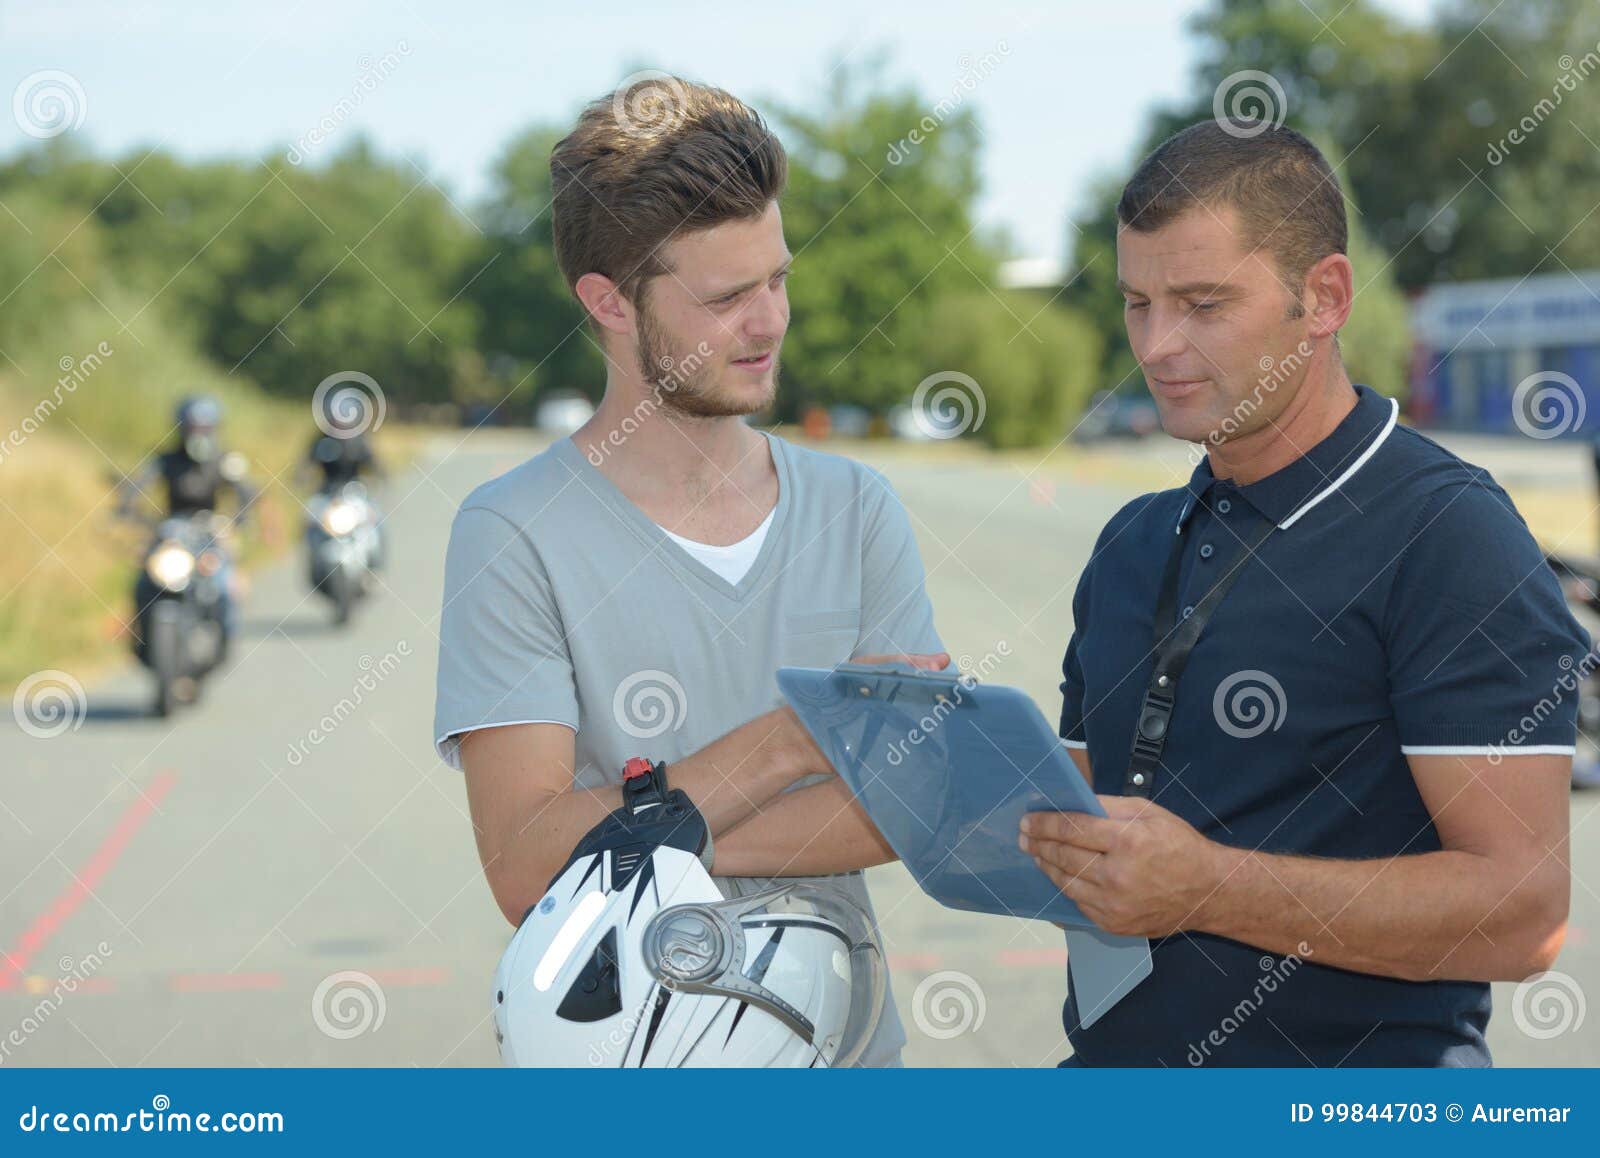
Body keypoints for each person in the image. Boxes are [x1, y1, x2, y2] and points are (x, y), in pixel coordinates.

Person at [1023, 118, 1585, 1067]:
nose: (1157, 345)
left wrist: (1204, 888)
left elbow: (1524, 916)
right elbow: (1072, 829)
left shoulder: (1449, 535)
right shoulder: (1132, 541)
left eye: (1202, 304)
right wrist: (921, 753)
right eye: (1137, 303)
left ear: (1323, 298)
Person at [432, 77, 946, 1067]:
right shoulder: (510, 532)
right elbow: (521, 864)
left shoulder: (857, 509)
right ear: (607, 304)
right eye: (724, 297)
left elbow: (909, 806)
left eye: (776, 279)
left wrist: (649, 841)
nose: (769, 322)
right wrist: (788, 746)